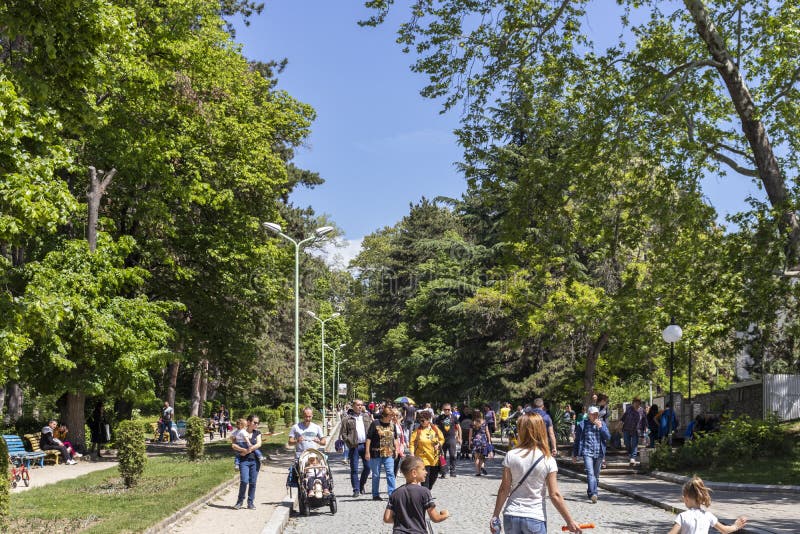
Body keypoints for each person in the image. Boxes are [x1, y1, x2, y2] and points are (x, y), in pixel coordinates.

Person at [490, 413, 582, 534]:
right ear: (541, 430)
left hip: (511, 515)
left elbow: (504, 489)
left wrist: (495, 515)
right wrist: (570, 521)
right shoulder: (548, 460)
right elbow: (554, 495)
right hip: (534, 516)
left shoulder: (511, 455)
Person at [383, 455, 449, 533]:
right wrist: (445, 514)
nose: (426, 472)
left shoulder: (395, 493)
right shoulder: (424, 492)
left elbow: (387, 518)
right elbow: (435, 518)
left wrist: (401, 520)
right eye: (423, 469)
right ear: (414, 473)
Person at [668, 476, 747, 534]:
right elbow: (724, 530)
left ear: (686, 498)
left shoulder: (683, 516)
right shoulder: (708, 515)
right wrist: (736, 526)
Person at [574, 405, 611, 503]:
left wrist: (600, 428)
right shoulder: (582, 425)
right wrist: (575, 454)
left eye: (596, 414)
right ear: (589, 415)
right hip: (587, 452)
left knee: (596, 475)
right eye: (593, 414)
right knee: (590, 474)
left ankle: (591, 491)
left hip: (599, 453)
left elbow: (608, 437)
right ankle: (593, 494)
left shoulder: (602, 423)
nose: (595, 416)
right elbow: (577, 440)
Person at [365, 406, 400, 500]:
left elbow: (395, 438)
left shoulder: (392, 425)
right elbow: (369, 438)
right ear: (384, 416)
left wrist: (397, 449)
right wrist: (367, 452)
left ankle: (392, 494)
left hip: (389, 453)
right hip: (376, 453)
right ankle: (375, 494)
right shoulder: (375, 423)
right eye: (391, 416)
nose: (392, 418)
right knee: (376, 474)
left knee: (390, 473)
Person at [340, 398, 373, 497]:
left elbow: (371, 430)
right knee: (354, 469)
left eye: (361, 405)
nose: (360, 407)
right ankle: (356, 489)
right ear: (353, 406)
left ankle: (361, 484)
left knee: (367, 467)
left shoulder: (366, 416)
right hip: (354, 446)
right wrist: (349, 443)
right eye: (358, 405)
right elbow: (343, 433)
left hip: (365, 445)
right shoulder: (347, 419)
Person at [231, 414, 262, 510]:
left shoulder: (257, 433)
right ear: (248, 422)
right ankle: (240, 502)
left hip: (254, 461)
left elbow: (259, 444)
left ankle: (250, 502)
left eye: (258, 423)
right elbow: (233, 445)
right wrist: (242, 450)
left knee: (253, 482)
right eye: (255, 422)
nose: (256, 424)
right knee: (244, 481)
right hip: (243, 461)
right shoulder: (239, 432)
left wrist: (247, 450)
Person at [409, 410, 445, 490]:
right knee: (425, 479)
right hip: (422, 459)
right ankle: (426, 496)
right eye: (420, 420)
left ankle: (427, 492)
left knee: (433, 477)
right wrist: (412, 454)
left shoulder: (435, 429)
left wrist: (439, 444)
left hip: (434, 459)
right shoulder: (417, 431)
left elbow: (442, 439)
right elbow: (411, 443)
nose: (421, 422)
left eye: (423, 420)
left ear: (428, 420)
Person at [434, 403, 461, 478]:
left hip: (451, 438)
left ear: (450, 409)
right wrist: (436, 438)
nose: (447, 411)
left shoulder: (454, 417)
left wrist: (459, 437)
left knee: (452, 455)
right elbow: (435, 428)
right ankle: (443, 472)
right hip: (442, 439)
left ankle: (453, 471)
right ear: (443, 410)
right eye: (445, 409)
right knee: (442, 456)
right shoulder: (439, 418)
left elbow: (458, 427)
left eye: (448, 409)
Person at [621, 397, 647, 465]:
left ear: (639, 403)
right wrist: (618, 425)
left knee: (634, 444)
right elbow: (623, 417)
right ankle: (630, 453)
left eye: (637, 403)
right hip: (626, 428)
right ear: (633, 403)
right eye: (635, 402)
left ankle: (633, 457)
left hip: (636, 429)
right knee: (626, 443)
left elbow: (644, 420)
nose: (636, 404)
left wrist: (645, 429)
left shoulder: (642, 410)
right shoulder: (629, 409)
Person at [469, 410, 492, 476]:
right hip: (483, 440)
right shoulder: (484, 422)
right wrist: (489, 440)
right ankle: (482, 466)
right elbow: (487, 431)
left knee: (477, 458)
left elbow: (470, 434)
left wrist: (469, 442)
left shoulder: (472, 423)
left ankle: (478, 472)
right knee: (482, 457)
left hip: (476, 441)